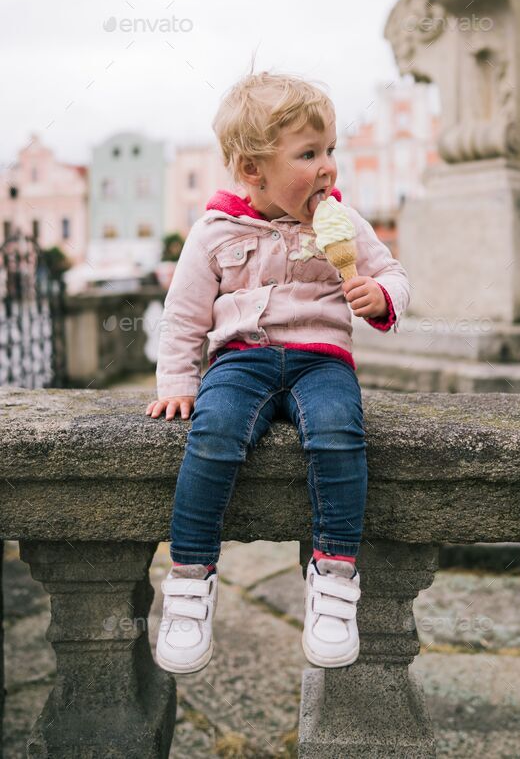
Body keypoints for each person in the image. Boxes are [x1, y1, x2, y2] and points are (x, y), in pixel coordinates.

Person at [147, 71, 410, 674]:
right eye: (309, 154)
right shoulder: (214, 232)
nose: (327, 168)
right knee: (212, 438)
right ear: (251, 170)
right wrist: (178, 384)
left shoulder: (342, 220)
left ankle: (335, 578)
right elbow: (183, 316)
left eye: (331, 151)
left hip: (323, 358)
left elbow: (393, 273)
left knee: (340, 433)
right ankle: (189, 582)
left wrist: (380, 296)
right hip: (242, 358)